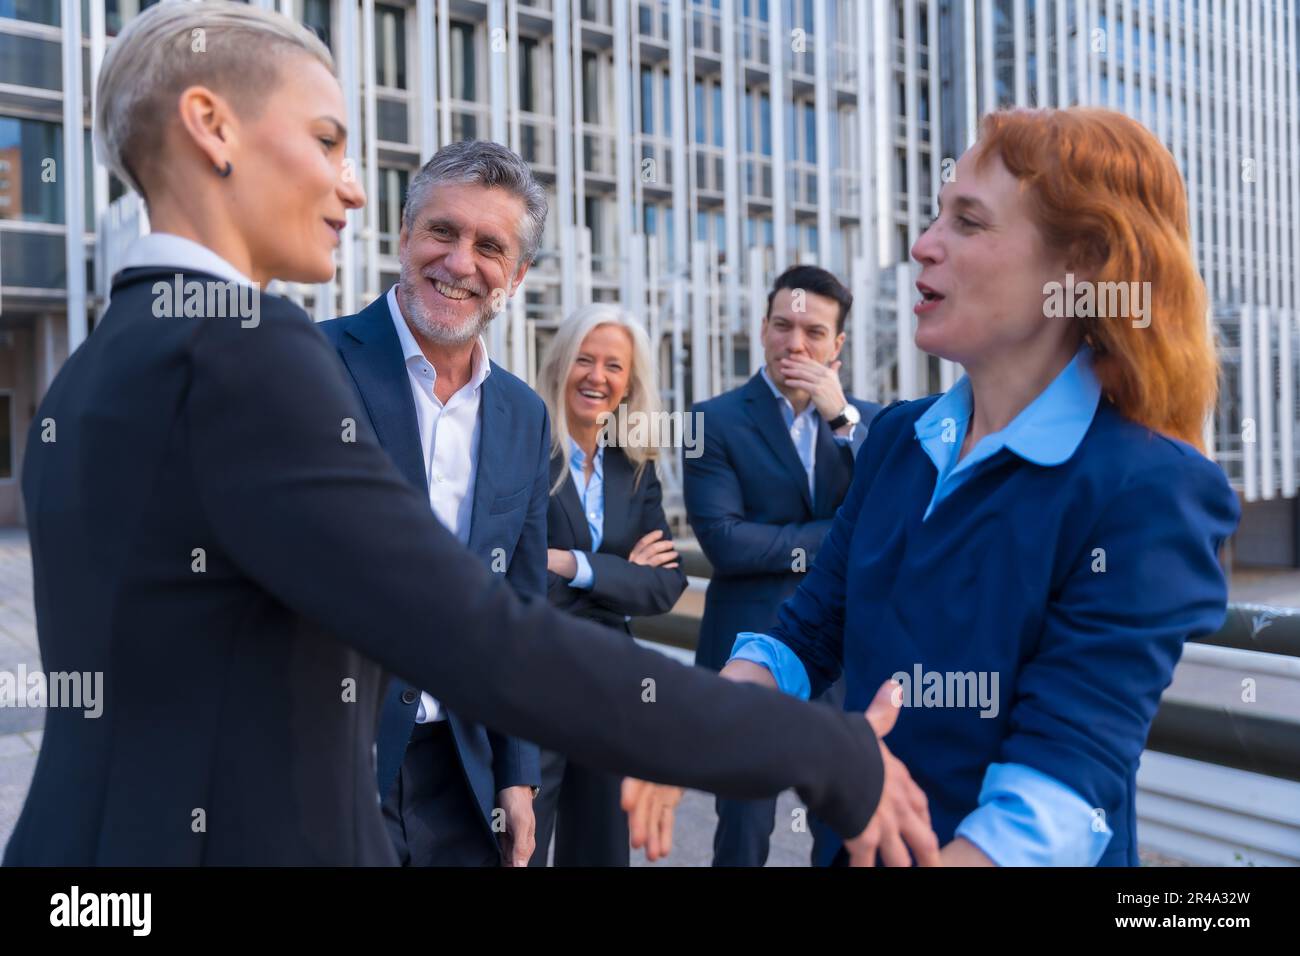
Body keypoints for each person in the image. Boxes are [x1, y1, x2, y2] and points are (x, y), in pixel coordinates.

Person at [2, 0, 920, 866]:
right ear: (212, 127)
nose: (350, 187)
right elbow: (480, 633)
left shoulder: (92, 371)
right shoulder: (249, 351)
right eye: (326, 140)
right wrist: (818, 747)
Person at [627, 106, 1240, 867]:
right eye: (936, 215)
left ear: (1080, 265)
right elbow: (804, 637)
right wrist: (694, 728)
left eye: (968, 222)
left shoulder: (1151, 490)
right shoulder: (898, 440)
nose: (923, 244)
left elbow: (1055, 797)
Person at [318, 140, 550, 867]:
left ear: (517, 274)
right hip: (332, 767)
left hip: (466, 778)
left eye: (490, 246)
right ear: (404, 235)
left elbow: (520, 608)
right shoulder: (310, 367)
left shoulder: (525, 414)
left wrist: (517, 774)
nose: (459, 262)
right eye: (442, 231)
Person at [685, 265, 880, 866]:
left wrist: (841, 420)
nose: (795, 344)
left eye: (813, 332)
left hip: (841, 659)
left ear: (837, 344)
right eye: (782, 326)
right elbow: (726, 543)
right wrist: (843, 535)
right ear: (763, 329)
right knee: (741, 836)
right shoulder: (711, 420)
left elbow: (890, 520)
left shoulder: (872, 424)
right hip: (747, 651)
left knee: (843, 831)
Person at [528, 305, 687, 867]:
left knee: (601, 848)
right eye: (584, 360)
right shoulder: (526, 452)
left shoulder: (634, 467)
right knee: (518, 844)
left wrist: (574, 564)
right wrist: (621, 573)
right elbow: (516, 573)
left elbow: (666, 583)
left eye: (614, 366)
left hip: (608, 685)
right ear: (560, 365)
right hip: (532, 678)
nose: (597, 377)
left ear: (629, 384)